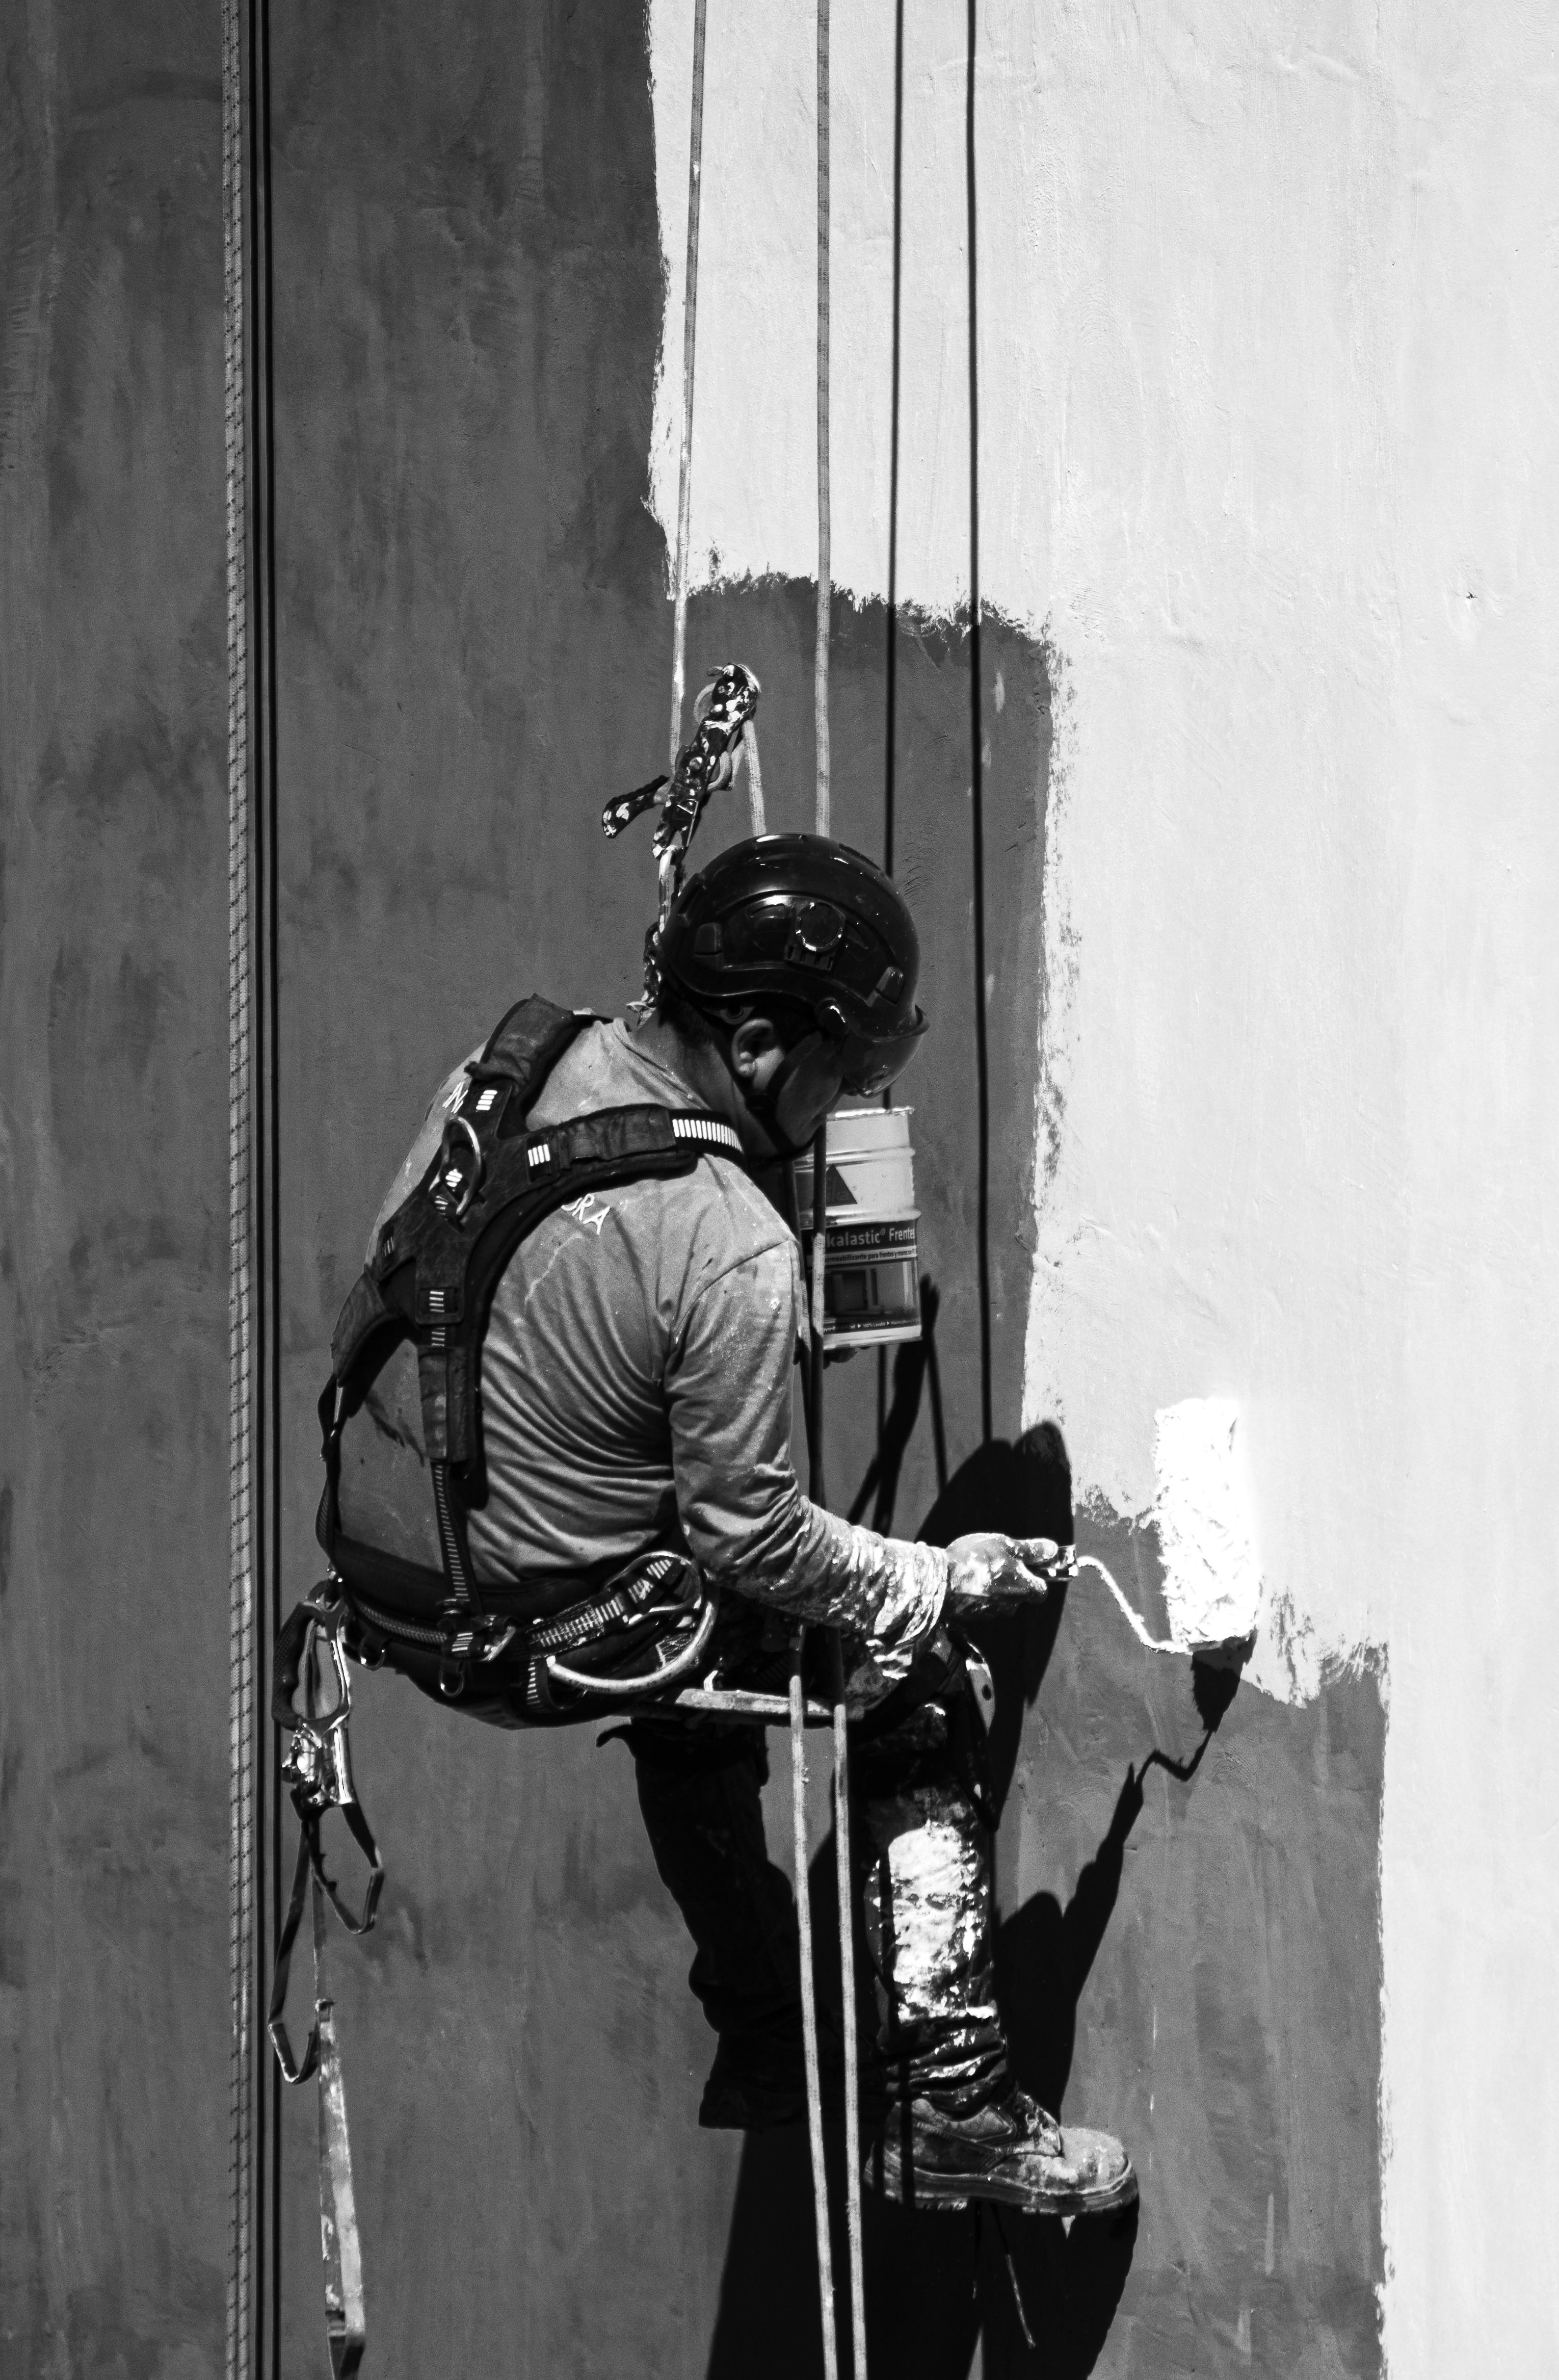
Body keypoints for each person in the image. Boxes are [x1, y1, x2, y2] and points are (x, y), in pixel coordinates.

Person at [331, 831, 1134, 2215]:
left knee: (695, 1675)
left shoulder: (519, 1061)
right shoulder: (727, 1245)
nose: (850, 1107)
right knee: (914, 1683)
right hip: (535, 1621)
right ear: (760, 1045)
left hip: (402, 1572)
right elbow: (752, 1541)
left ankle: (764, 2033)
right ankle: (948, 2104)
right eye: (848, 1076)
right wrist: (930, 1578)